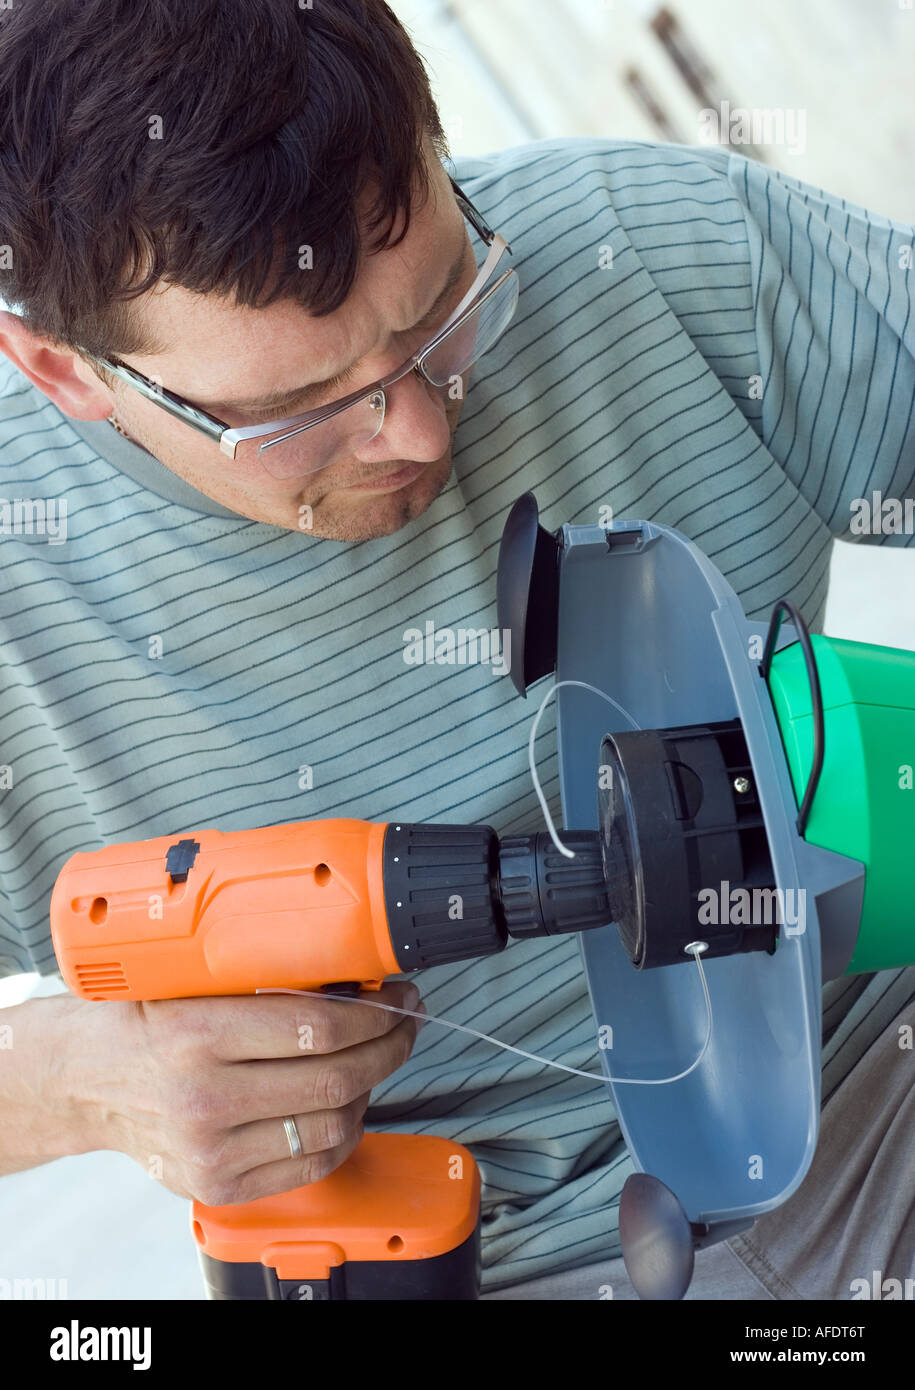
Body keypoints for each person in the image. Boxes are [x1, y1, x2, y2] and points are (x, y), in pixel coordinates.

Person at [0, 0, 912, 1300]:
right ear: (65, 369)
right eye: (298, 411)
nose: (420, 431)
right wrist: (64, 1080)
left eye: (445, 311)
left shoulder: (644, 249)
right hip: (516, 1254)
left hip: (878, 1075)